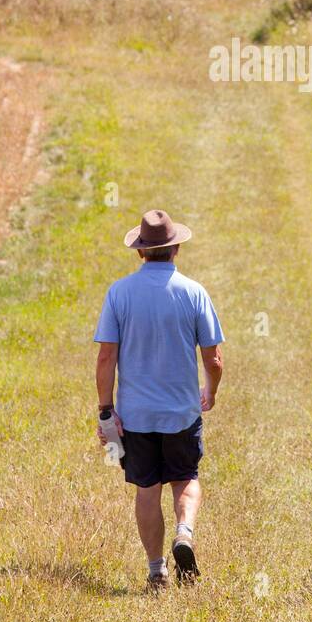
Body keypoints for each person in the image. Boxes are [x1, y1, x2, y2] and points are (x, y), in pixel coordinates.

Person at [94, 209, 224, 592]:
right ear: (176, 249)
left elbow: (106, 358)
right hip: (181, 411)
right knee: (186, 479)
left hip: (135, 416)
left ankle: (156, 571)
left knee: (147, 489)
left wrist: (106, 409)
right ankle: (184, 533)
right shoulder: (193, 292)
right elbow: (213, 359)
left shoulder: (119, 293)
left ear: (140, 252)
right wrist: (210, 391)